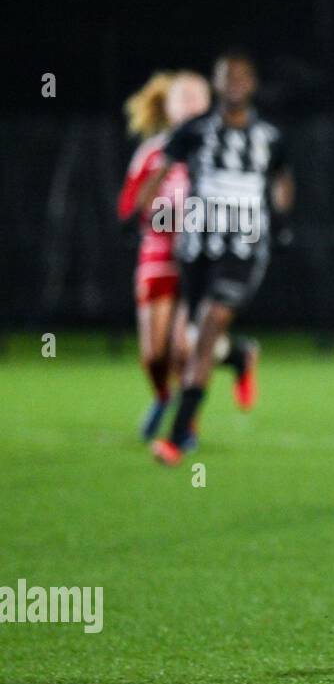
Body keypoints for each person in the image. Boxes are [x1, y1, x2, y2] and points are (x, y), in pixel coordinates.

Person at [138, 51, 293, 465]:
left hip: (243, 249)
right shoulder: (195, 131)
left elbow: (282, 177)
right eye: (227, 77)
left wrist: (281, 216)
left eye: (242, 77)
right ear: (218, 84)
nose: (235, 84)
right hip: (198, 247)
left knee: (206, 329)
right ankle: (240, 356)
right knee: (190, 343)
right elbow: (161, 168)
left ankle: (176, 436)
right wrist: (143, 208)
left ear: (253, 84)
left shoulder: (269, 137)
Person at [117, 70, 209, 440]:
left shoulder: (214, 149)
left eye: (195, 97)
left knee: (183, 348)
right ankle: (162, 396)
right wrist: (137, 213)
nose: (188, 104)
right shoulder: (152, 153)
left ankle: (185, 422)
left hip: (196, 259)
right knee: (154, 355)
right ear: (168, 108)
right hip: (157, 256)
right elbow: (129, 204)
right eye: (181, 98)